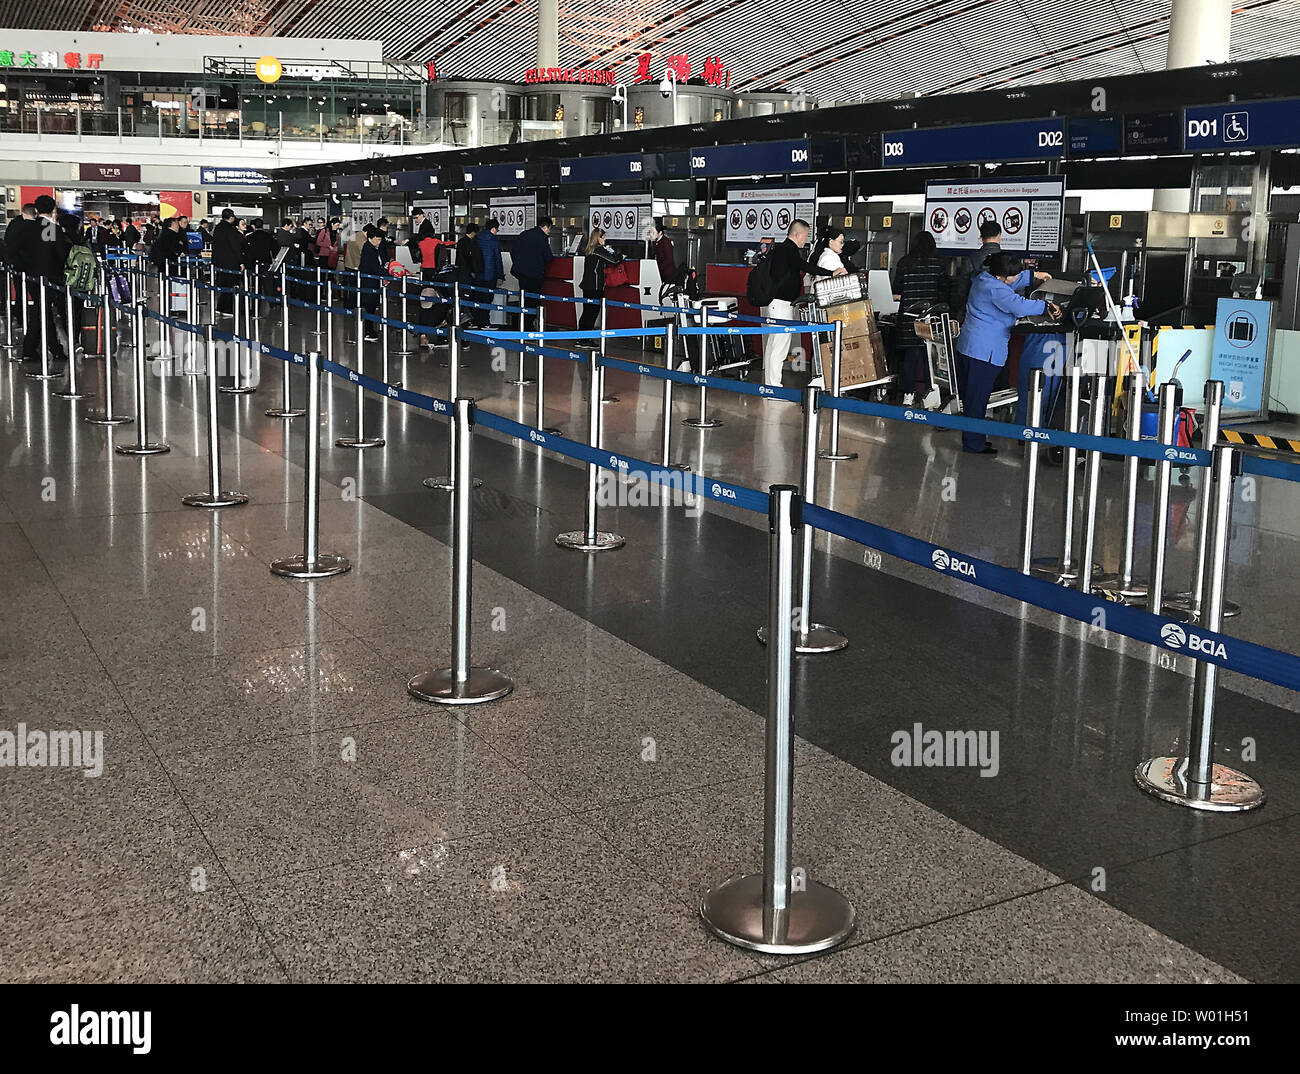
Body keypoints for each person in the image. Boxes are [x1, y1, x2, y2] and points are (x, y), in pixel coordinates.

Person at [956, 252, 1056, 455]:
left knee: (973, 398)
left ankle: (975, 439)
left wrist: (1035, 275)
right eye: (1013, 275)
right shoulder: (995, 289)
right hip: (983, 351)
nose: (1015, 278)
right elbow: (1019, 305)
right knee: (977, 399)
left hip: (971, 347)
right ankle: (973, 444)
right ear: (1003, 276)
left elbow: (1013, 280)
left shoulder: (985, 277)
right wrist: (1046, 307)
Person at [761, 219, 845, 386]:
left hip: (779, 303)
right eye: (805, 235)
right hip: (780, 304)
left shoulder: (783, 250)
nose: (805, 239)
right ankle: (773, 387)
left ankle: (770, 385)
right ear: (798, 234)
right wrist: (831, 273)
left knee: (774, 345)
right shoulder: (788, 250)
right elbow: (806, 267)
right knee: (779, 346)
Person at [890, 231, 951, 402]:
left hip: (909, 316)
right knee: (929, 357)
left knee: (910, 357)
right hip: (930, 316)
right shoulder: (938, 263)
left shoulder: (905, 262)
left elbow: (897, 288)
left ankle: (908, 395)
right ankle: (930, 394)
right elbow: (945, 288)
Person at [16, 194, 69, 366]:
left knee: (42, 311)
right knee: (42, 312)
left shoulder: (27, 228)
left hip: (31, 276)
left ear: (36, 210)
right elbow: (62, 254)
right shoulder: (53, 229)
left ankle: (54, 348)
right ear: (53, 209)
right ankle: (30, 349)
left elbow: (18, 251)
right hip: (50, 277)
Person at [578, 228, 624, 331]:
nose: (604, 240)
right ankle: (584, 340)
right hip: (595, 286)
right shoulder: (598, 250)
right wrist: (621, 255)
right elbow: (614, 260)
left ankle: (581, 338)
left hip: (587, 285)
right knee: (592, 313)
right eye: (603, 237)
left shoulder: (589, 250)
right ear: (598, 238)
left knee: (586, 312)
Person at [954, 220, 1002, 318]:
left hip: (975, 312)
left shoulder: (970, 259)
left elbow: (961, 290)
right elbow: (1018, 290)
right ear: (999, 235)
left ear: (981, 237)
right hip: (1001, 312)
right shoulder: (1009, 260)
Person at [511, 216, 554, 326]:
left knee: (524, 298)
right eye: (549, 229)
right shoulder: (542, 237)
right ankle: (529, 325)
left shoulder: (524, 234)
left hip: (521, 273)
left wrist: (518, 263)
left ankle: (522, 324)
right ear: (546, 227)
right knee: (533, 300)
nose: (549, 232)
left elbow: (513, 251)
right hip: (534, 274)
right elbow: (548, 257)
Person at [212, 208, 244, 315]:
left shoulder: (217, 228)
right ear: (231, 218)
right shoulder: (231, 230)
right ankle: (227, 309)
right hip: (230, 262)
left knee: (223, 285)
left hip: (219, 262)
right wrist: (241, 262)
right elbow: (235, 247)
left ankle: (220, 307)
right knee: (231, 285)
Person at [359, 225, 386, 341]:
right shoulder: (369, 249)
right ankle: (368, 331)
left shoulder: (372, 248)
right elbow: (374, 267)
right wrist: (386, 273)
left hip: (372, 281)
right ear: (371, 238)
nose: (379, 242)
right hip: (369, 283)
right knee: (369, 306)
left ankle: (369, 330)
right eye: (377, 239)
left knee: (371, 307)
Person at [651, 218, 676, 286]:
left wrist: (657, 267)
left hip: (667, 274)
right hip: (660, 272)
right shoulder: (656, 242)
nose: (651, 234)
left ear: (660, 233)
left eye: (653, 232)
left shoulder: (665, 242)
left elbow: (669, 259)